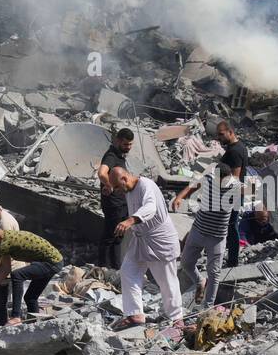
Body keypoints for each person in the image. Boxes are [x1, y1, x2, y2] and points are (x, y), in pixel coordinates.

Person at [110, 168, 183, 330]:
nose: (118, 191)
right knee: (128, 271)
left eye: (117, 187)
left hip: (158, 239)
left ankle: (177, 318)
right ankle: (135, 314)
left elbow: (150, 207)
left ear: (124, 178)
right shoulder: (129, 190)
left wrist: (129, 222)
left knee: (166, 280)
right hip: (140, 239)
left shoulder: (146, 185)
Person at [0, 227, 63, 326]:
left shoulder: (3, 245)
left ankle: (16, 316)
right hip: (53, 261)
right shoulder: (5, 238)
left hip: (51, 263)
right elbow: (6, 269)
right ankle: (34, 325)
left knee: (17, 275)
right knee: (30, 297)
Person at [173, 163, 234, 309]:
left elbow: (257, 190)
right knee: (186, 263)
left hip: (217, 237)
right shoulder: (209, 179)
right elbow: (192, 186)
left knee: (214, 273)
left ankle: (208, 307)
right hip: (198, 230)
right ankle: (200, 281)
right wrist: (179, 197)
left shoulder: (235, 187)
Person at [97, 129, 134, 269]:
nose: (128, 147)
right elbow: (101, 173)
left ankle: (116, 268)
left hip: (121, 204)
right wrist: (109, 185)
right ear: (118, 141)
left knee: (118, 238)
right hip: (114, 205)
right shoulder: (111, 156)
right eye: (125, 144)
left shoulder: (120, 155)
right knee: (109, 238)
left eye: (130, 144)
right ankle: (103, 269)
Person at [215, 121, 250, 268]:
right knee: (229, 227)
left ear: (230, 132)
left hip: (231, 195)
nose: (219, 138)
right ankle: (229, 258)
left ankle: (232, 260)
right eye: (218, 135)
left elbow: (234, 178)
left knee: (230, 227)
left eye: (222, 134)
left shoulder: (235, 151)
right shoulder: (238, 147)